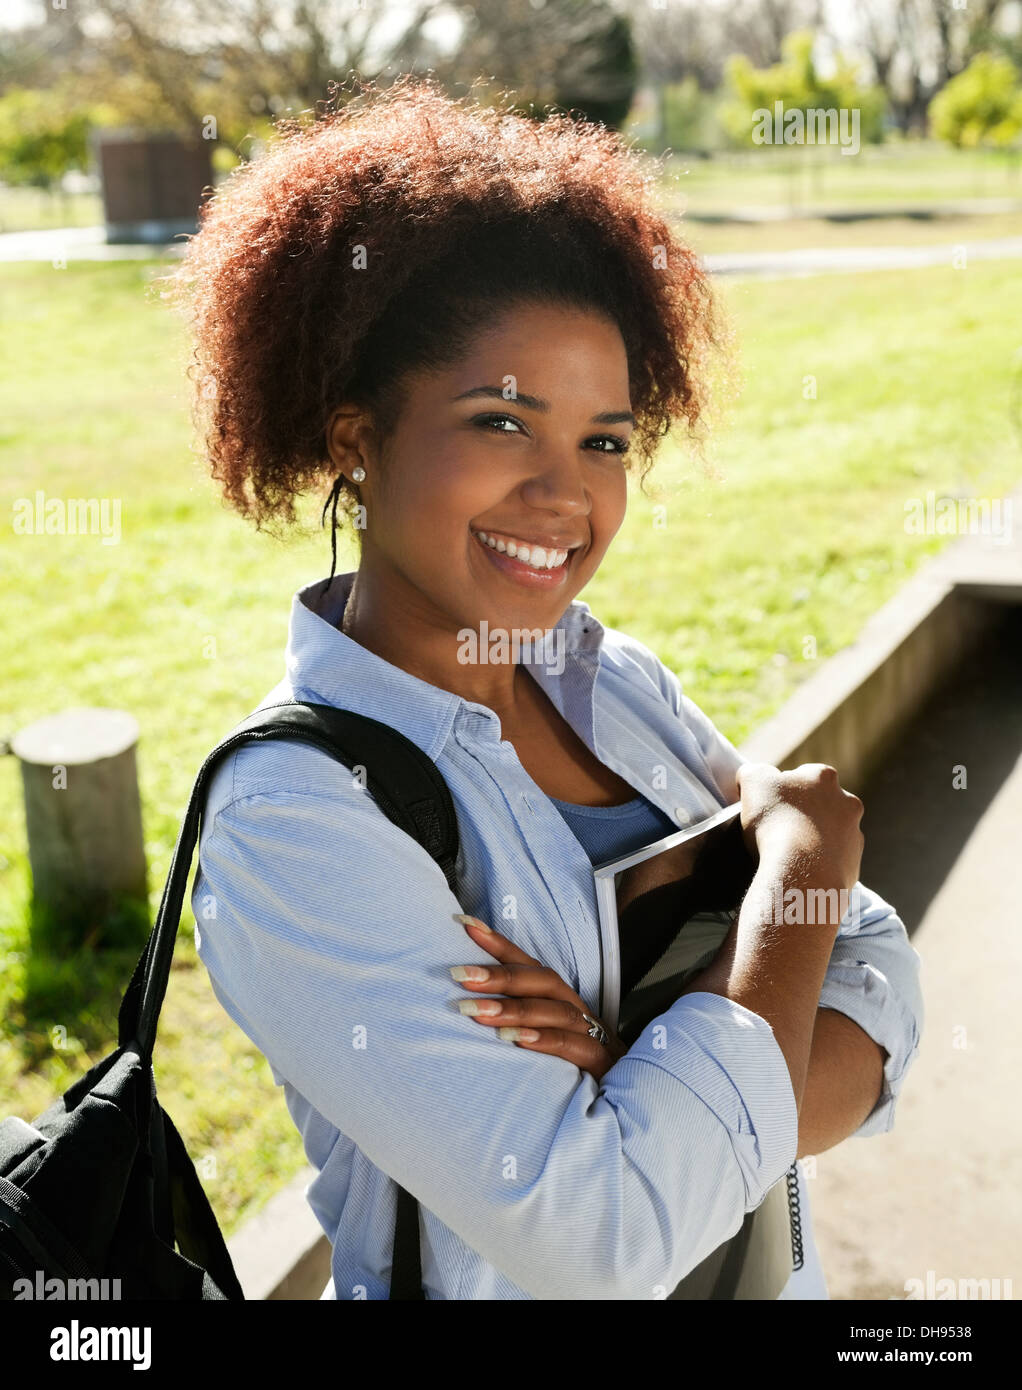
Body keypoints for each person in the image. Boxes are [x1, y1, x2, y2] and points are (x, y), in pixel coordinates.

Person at [168, 75, 923, 1300]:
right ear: (357, 438)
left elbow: (882, 989)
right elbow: (605, 1239)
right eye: (502, 422)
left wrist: (631, 1073)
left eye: (605, 439)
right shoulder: (294, 826)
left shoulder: (609, 680)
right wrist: (794, 875)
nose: (565, 495)